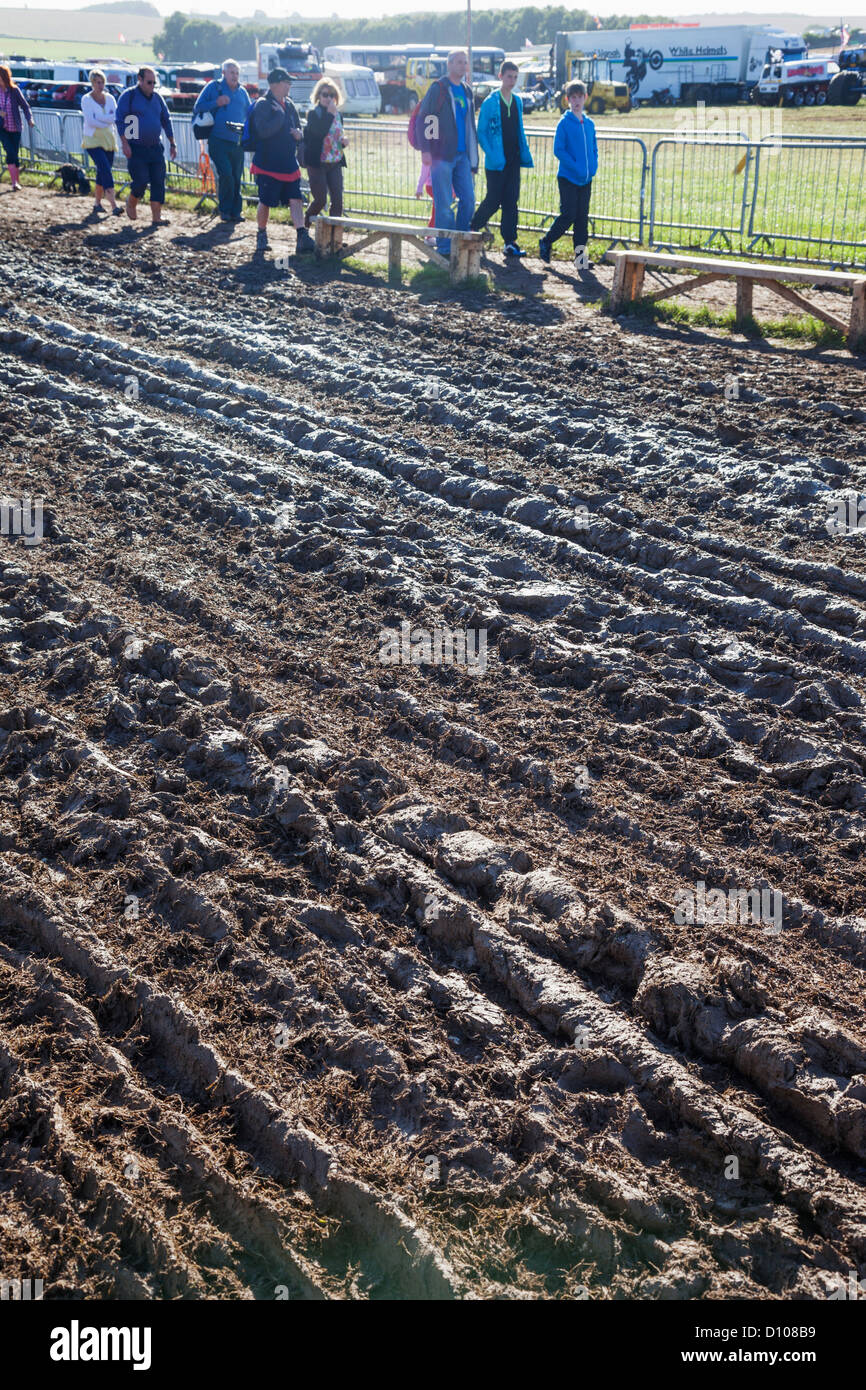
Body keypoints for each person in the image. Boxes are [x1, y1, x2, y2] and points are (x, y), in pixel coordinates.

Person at [416, 49, 478, 257]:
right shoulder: (439, 88)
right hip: (441, 155)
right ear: (449, 64)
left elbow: (470, 124)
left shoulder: (467, 91)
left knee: (468, 200)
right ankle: (444, 248)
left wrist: (473, 158)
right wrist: (427, 149)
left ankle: (459, 241)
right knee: (443, 203)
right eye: (459, 62)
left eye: (465, 62)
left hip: (463, 156)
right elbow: (427, 118)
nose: (463, 66)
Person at [470, 60, 533, 259]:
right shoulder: (490, 102)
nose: (512, 80)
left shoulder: (518, 101)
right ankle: (471, 228)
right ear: (500, 76)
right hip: (496, 162)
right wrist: (492, 153)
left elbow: (518, 128)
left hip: (513, 159)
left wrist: (523, 151)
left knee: (511, 201)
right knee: (493, 199)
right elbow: (482, 132)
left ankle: (509, 242)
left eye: (515, 77)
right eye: (509, 76)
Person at [250, 67, 315, 257]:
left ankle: (301, 236)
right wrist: (279, 117)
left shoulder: (290, 104)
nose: (290, 85)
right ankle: (261, 234)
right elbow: (263, 132)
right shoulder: (263, 104)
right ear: (276, 84)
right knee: (266, 201)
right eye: (287, 82)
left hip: (288, 162)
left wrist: (299, 134)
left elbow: (299, 127)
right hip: (267, 163)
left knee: (296, 199)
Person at [538, 80, 598, 270]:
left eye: (580, 96)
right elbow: (559, 150)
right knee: (569, 214)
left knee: (582, 219)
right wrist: (575, 166)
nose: (577, 100)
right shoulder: (564, 123)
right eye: (573, 97)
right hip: (568, 178)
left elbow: (594, 148)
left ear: (585, 98)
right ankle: (546, 241)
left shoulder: (589, 124)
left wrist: (593, 166)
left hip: (586, 179)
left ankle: (581, 259)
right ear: (567, 99)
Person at [115, 67, 177, 229]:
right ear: (140, 79)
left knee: (158, 182)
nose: (152, 86)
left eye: (154, 83)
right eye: (149, 82)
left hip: (155, 147)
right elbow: (120, 121)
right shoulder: (128, 97)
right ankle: (132, 201)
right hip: (136, 148)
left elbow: (166, 120)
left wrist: (172, 143)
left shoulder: (157, 98)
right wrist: (125, 143)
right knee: (141, 180)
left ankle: (156, 218)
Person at [192, 58, 251, 223]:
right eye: (232, 72)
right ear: (223, 73)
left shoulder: (242, 92)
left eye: (237, 73)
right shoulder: (213, 87)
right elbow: (198, 107)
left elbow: (250, 112)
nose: (235, 76)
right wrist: (216, 102)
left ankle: (235, 212)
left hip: (237, 142)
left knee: (236, 177)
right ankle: (224, 210)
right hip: (218, 140)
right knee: (226, 175)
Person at [303, 78, 346, 227]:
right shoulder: (314, 114)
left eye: (331, 95)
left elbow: (337, 135)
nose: (328, 98)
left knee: (338, 200)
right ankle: (304, 229)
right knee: (320, 200)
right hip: (317, 163)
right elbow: (318, 134)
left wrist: (343, 141)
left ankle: (334, 237)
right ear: (318, 96)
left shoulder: (338, 115)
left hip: (335, 161)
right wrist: (329, 115)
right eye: (325, 94)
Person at [81, 68, 121, 218]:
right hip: (92, 139)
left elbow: (115, 117)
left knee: (102, 171)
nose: (100, 85)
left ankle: (97, 203)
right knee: (105, 169)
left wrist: (100, 118)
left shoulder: (110, 98)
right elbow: (90, 121)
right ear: (92, 83)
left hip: (108, 138)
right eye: (98, 82)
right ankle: (114, 205)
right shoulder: (86, 99)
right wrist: (106, 119)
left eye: (102, 82)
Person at [0, 64, 35, 192]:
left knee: (14, 153)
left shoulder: (14, 91)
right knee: (10, 152)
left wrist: (29, 119)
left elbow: (25, 106)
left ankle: (16, 181)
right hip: (2, 128)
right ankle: (14, 182)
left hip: (15, 127)